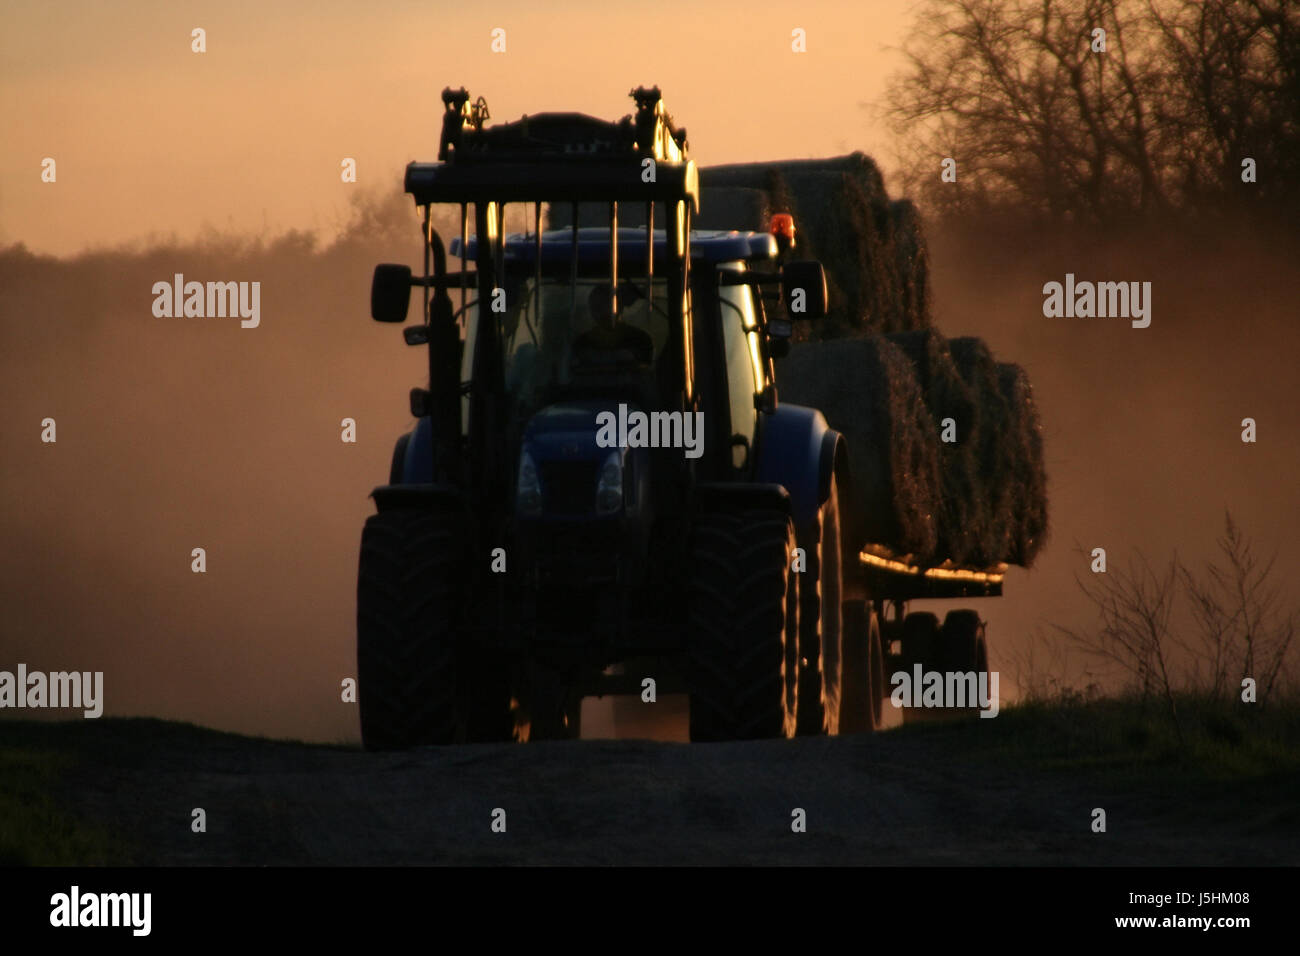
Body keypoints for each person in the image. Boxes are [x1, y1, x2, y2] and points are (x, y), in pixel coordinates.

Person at [572, 284, 654, 365]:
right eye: (597, 306)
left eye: (607, 304)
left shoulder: (640, 340)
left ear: (620, 307)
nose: (603, 311)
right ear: (591, 309)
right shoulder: (582, 343)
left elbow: (646, 372)